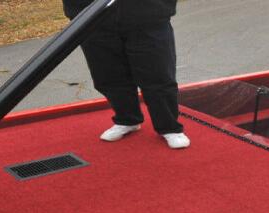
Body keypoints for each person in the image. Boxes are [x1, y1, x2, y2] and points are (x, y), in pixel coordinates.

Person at [62, 0, 191, 149]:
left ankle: (169, 127)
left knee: (157, 74)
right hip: (95, 17)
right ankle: (127, 120)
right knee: (107, 75)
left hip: (147, 14)